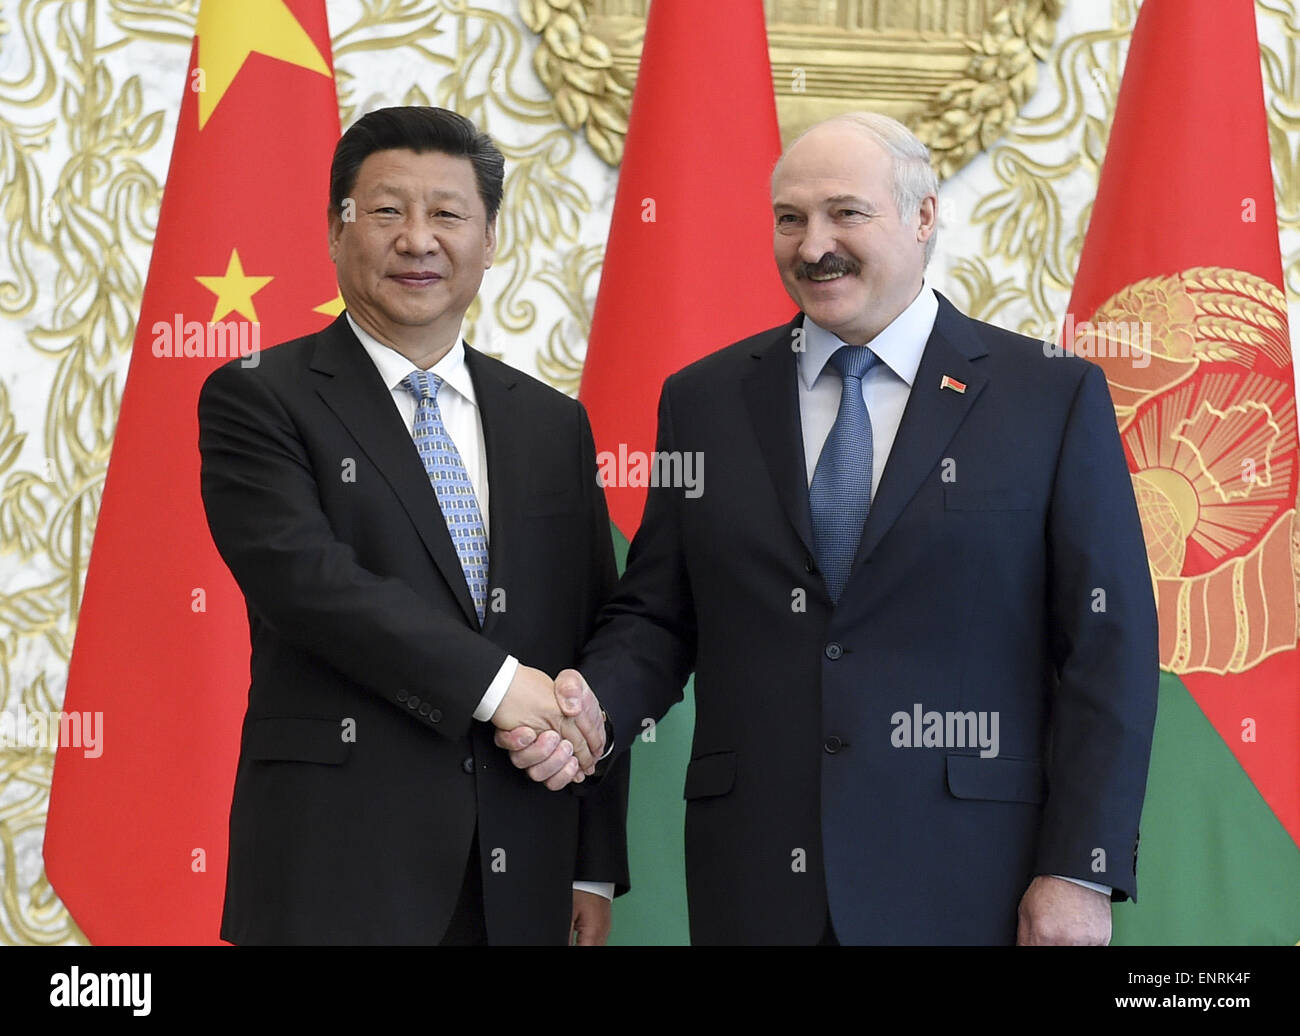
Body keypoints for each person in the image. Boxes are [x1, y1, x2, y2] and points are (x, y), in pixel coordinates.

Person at [501, 112, 1158, 945]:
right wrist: (585, 712)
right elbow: (660, 619)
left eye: (846, 213)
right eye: (790, 219)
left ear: (922, 219)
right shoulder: (703, 401)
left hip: (973, 879)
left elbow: (1110, 647)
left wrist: (1079, 870)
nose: (814, 246)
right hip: (757, 879)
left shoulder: (1048, 395)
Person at [198, 105, 626, 945]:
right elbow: (310, 587)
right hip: (337, 865)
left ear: (491, 237)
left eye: (448, 214)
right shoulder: (258, 396)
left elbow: (589, 634)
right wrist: (504, 686)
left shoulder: (551, 423)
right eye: (387, 211)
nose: (418, 240)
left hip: (523, 860)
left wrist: (590, 860)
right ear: (335, 229)